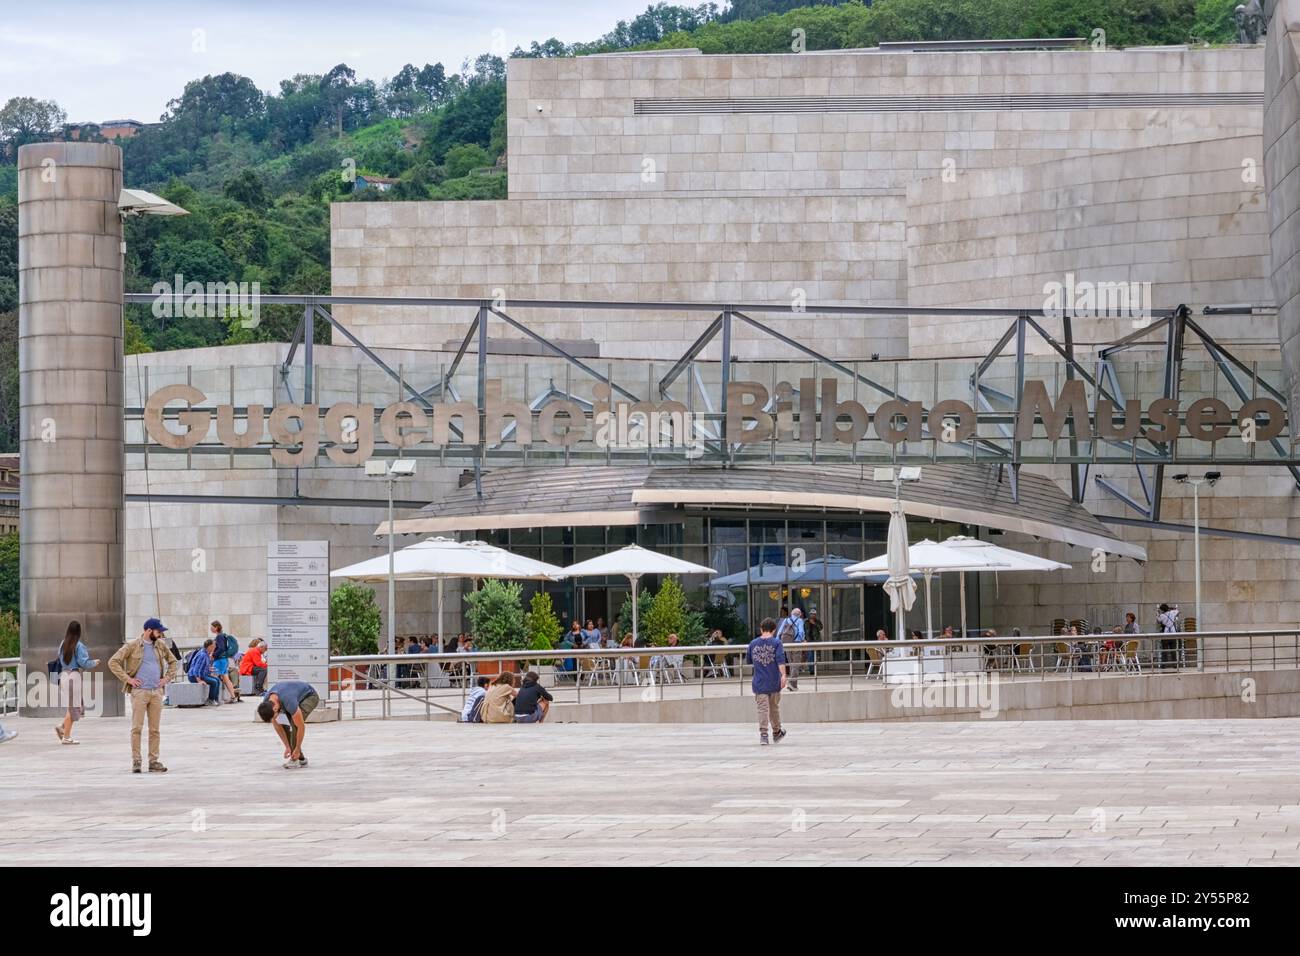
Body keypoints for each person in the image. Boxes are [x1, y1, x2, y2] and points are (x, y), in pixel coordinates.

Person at [107, 618, 179, 773]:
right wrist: (129, 679)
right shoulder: (133, 645)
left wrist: (166, 678)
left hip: (156, 692)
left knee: (155, 729)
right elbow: (113, 662)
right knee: (137, 728)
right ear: (148, 630)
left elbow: (174, 662)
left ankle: (154, 761)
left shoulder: (160, 645)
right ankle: (136, 761)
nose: (160, 635)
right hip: (140, 692)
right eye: (158, 631)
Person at [258, 680, 320, 769]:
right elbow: (278, 726)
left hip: (309, 696)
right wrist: (287, 746)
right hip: (288, 698)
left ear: (275, 708)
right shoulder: (267, 703)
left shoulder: (289, 700)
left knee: (295, 724)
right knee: (283, 723)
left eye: (273, 717)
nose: (274, 720)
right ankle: (300, 758)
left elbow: (301, 726)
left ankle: (295, 760)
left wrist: (297, 747)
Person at [54, 620, 97, 746]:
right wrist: (94, 662)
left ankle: (62, 727)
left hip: (63, 676)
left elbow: (59, 658)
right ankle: (66, 736)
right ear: (79, 632)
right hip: (74, 676)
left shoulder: (63, 644)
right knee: (73, 707)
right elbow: (84, 663)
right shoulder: (79, 646)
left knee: (72, 706)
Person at [746, 617, 788, 746]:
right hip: (774, 681)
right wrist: (784, 675)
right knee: (774, 708)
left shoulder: (753, 644)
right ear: (774, 630)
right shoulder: (776, 643)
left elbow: (749, 661)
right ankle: (776, 732)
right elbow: (780, 660)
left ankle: (764, 735)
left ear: (761, 629)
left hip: (759, 682)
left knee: (762, 709)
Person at [209, 621, 242, 703]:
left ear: (216, 627)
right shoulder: (223, 636)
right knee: (226, 678)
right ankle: (233, 697)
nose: (210, 628)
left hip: (219, 660)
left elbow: (221, 648)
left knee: (213, 676)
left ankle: (214, 698)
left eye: (212, 627)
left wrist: (213, 654)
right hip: (224, 660)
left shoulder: (219, 637)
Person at [775, 607, 806, 689]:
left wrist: (777, 642)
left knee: (792, 663)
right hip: (796, 643)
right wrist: (802, 639)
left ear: (792, 614)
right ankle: (792, 683)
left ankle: (794, 685)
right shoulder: (800, 621)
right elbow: (801, 631)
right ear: (799, 614)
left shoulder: (786, 620)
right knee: (796, 663)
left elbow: (779, 632)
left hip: (787, 644)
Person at [187, 638, 221, 705]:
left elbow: (203, 666)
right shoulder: (202, 655)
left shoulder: (206, 653)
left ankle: (215, 699)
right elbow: (197, 669)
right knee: (214, 682)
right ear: (209, 646)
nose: (215, 648)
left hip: (202, 674)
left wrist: (209, 669)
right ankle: (210, 700)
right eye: (214, 646)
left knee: (217, 680)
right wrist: (199, 680)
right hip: (194, 676)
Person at [1157, 603, 1181, 668]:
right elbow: (1178, 612)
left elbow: (1158, 621)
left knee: (1164, 650)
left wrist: (1158, 614)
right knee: (1173, 650)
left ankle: (1164, 664)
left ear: (1162, 609)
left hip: (1165, 634)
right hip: (1173, 633)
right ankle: (1175, 664)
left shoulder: (1162, 615)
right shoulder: (1172, 612)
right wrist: (1172, 610)